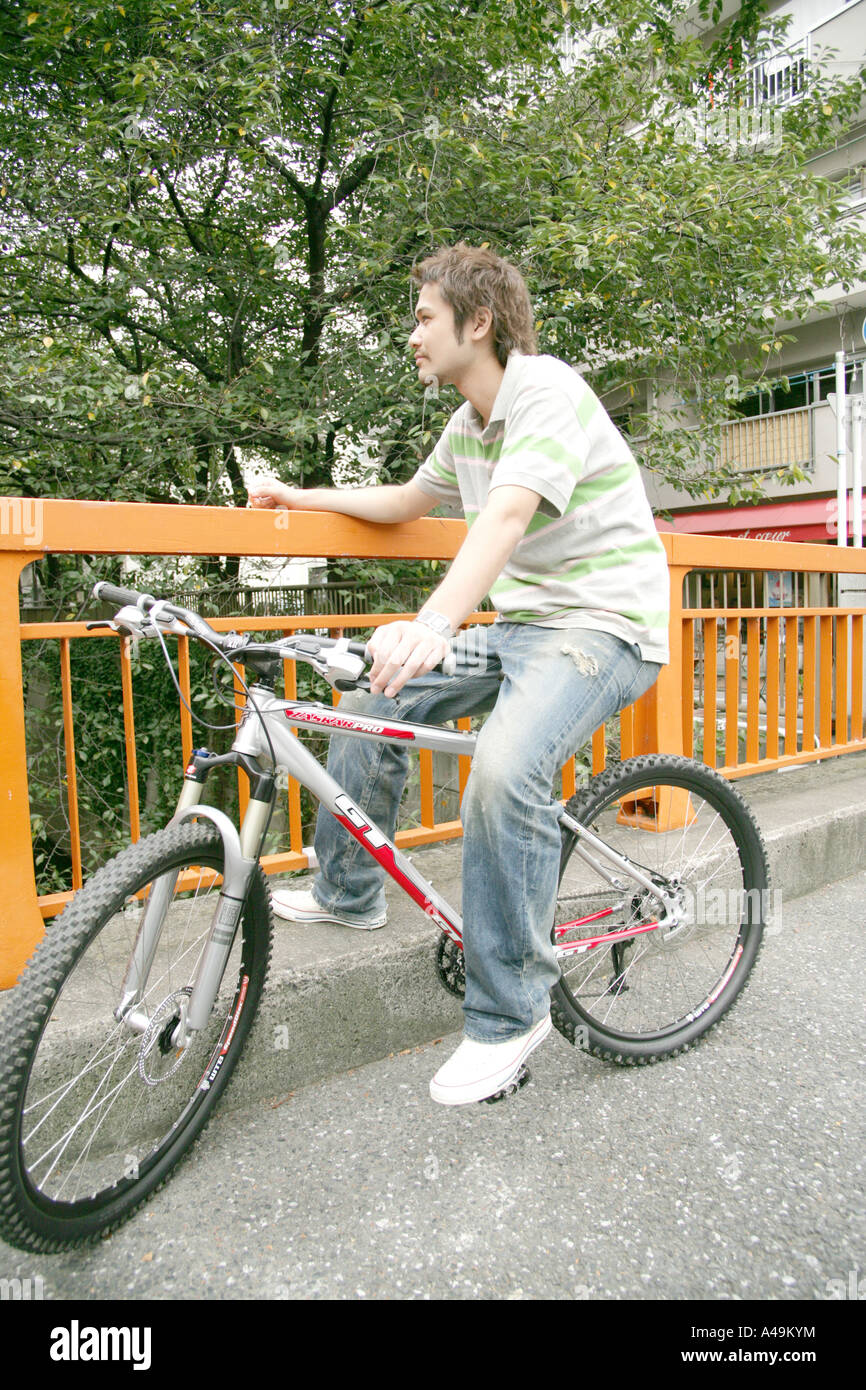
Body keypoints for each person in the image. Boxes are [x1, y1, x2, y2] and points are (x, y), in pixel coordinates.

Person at [248, 242, 669, 1106]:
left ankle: (511, 1014)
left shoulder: (546, 391)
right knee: (369, 698)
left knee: (505, 774)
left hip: (602, 627)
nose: (412, 335)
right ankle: (349, 891)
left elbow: (508, 515)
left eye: (424, 318)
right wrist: (301, 495)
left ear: (478, 324)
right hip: (522, 627)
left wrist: (437, 622)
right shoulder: (468, 422)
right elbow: (409, 501)